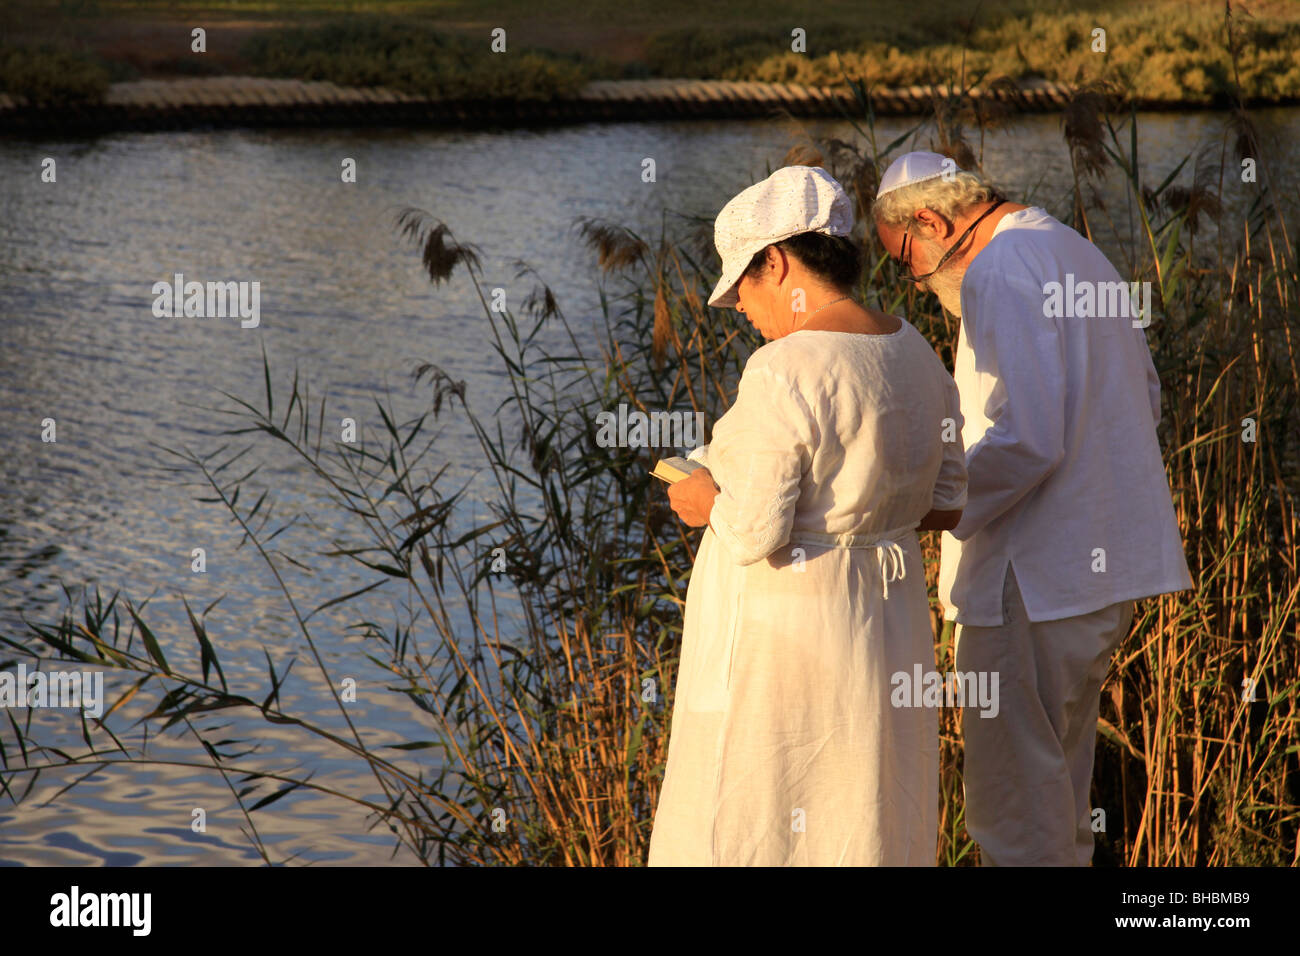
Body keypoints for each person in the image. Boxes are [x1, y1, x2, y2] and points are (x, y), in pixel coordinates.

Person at [871, 150, 1194, 866]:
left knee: (1014, 812)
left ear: (931, 219)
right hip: (1098, 579)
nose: (916, 281)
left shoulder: (1000, 270)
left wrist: (937, 507)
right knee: (1056, 797)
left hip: (1031, 581)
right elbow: (1144, 396)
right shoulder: (1075, 251)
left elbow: (1026, 437)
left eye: (908, 258)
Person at [646, 164, 968, 866]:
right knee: (865, 803)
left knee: (774, 801)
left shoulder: (785, 368)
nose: (744, 311)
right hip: (887, 618)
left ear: (778, 261)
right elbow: (948, 499)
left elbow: (756, 529)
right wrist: (866, 511)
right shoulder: (913, 350)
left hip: (793, 634)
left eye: (745, 289)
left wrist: (704, 499)